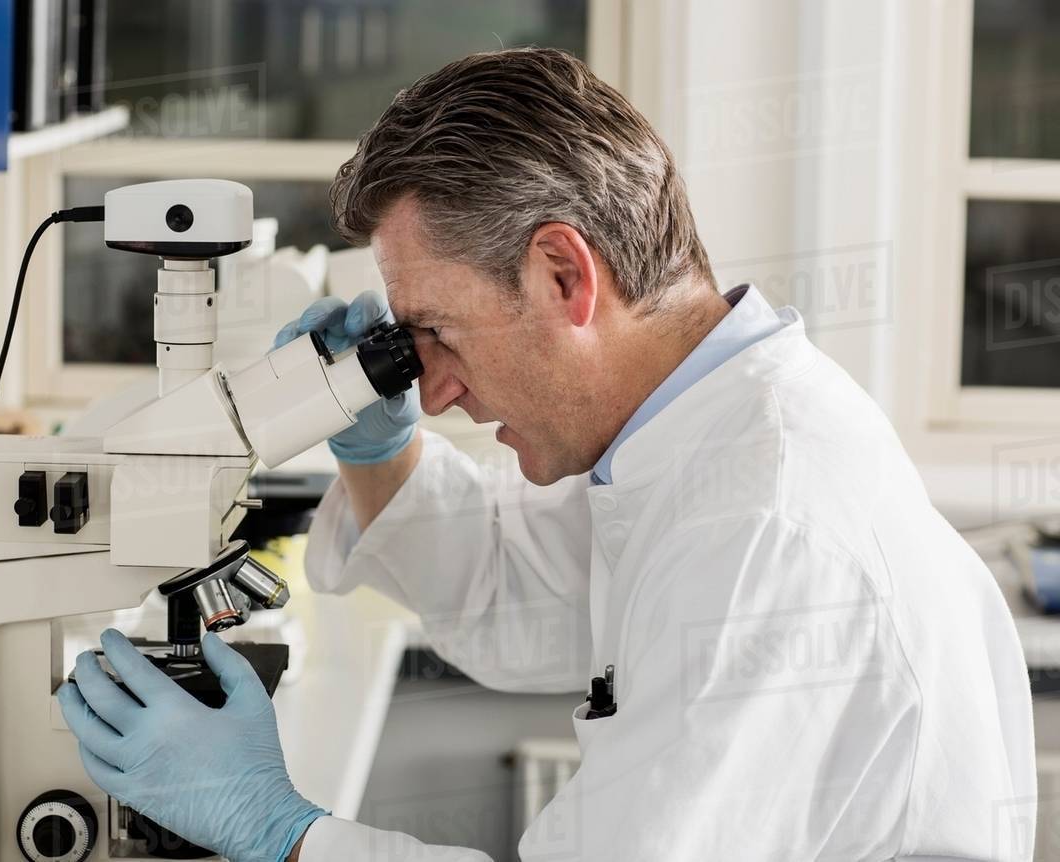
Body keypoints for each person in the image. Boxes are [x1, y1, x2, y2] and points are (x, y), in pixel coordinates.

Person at [59, 47, 1036, 861]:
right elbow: (509, 595)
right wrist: (375, 442)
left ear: (566, 274)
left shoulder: (763, 528)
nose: (431, 387)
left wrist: (284, 832)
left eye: (435, 331)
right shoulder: (688, 435)